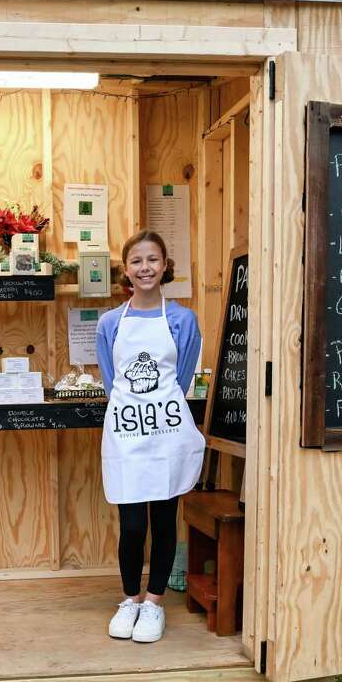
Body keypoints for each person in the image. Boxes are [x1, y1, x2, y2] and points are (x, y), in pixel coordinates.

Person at [96, 231, 205, 643]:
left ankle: (154, 603)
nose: (145, 268)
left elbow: (180, 380)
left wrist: (157, 412)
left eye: (153, 259)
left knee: (162, 520)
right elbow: (112, 382)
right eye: (137, 261)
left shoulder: (182, 320)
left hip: (165, 433)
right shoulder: (110, 323)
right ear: (126, 270)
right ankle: (129, 599)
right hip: (127, 432)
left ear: (164, 266)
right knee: (131, 525)